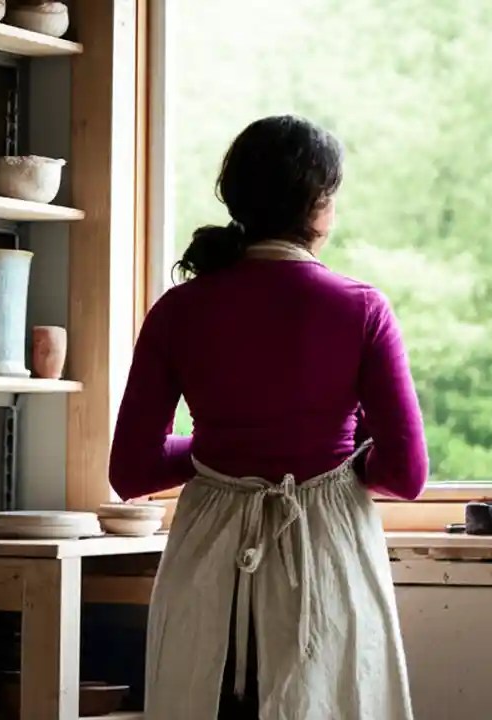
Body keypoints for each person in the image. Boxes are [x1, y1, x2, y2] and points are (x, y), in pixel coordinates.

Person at [109, 114, 428, 720]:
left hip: (211, 554)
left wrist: (216, 446)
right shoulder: (361, 309)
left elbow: (133, 469)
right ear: (320, 203)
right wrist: (348, 447)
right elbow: (405, 473)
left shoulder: (180, 310)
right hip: (323, 553)